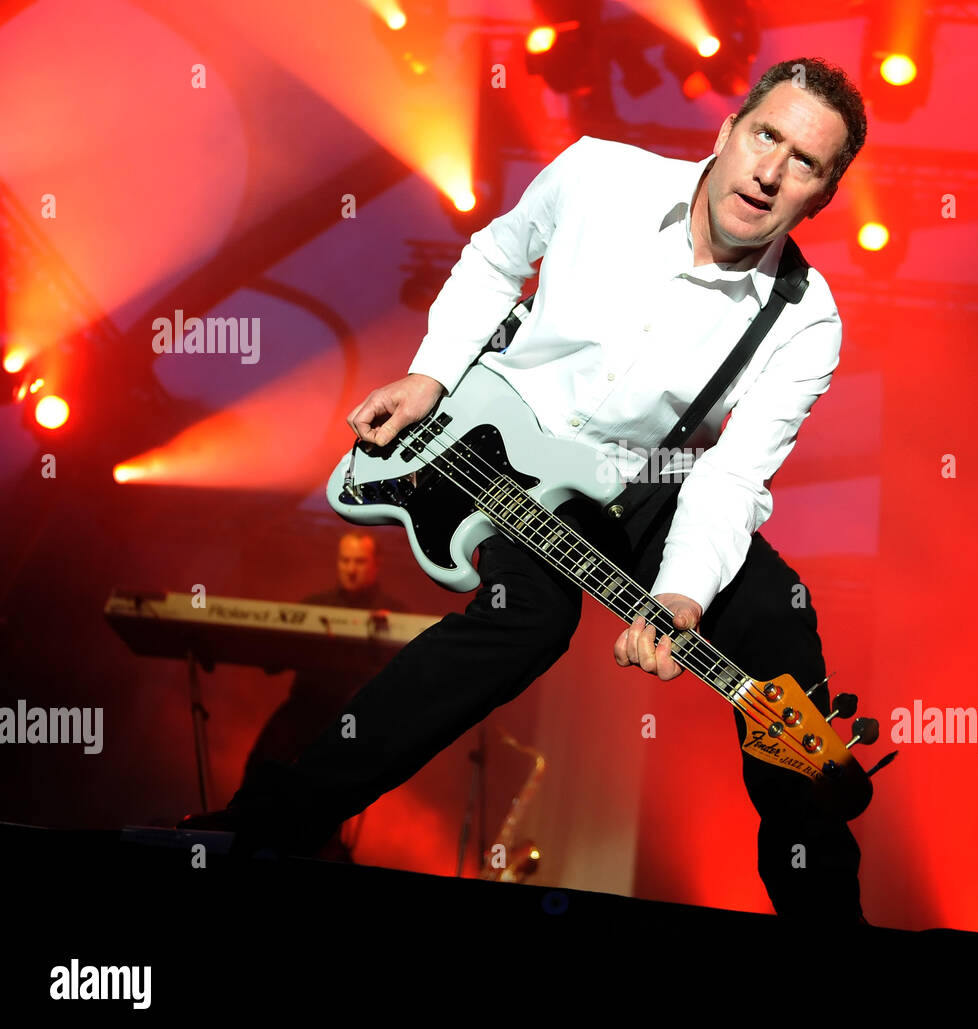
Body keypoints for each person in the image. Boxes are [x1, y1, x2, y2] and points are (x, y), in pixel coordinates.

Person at [182, 56, 870, 924]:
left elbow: (732, 475)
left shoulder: (806, 320)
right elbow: (495, 259)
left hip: (645, 478)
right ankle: (270, 826)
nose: (771, 172)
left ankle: (831, 923)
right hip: (498, 433)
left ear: (821, 196)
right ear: (729, 130)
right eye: (766, 135)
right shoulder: (596, 175)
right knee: (528, 619)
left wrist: (680, 597)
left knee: (777, 615)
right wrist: (431, 376)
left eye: (804, 162)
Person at [236, 530, 409, 862]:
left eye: (359, 561)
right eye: (345, 560)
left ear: (376, 565)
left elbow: (406, 676)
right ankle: (244, 838)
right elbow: (273, 660)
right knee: (263, 763)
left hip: (353, 716)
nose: (351, 568)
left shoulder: (393, 612)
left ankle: (321, 849)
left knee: (328, 788)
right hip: (305, 705)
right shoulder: (315, 605)